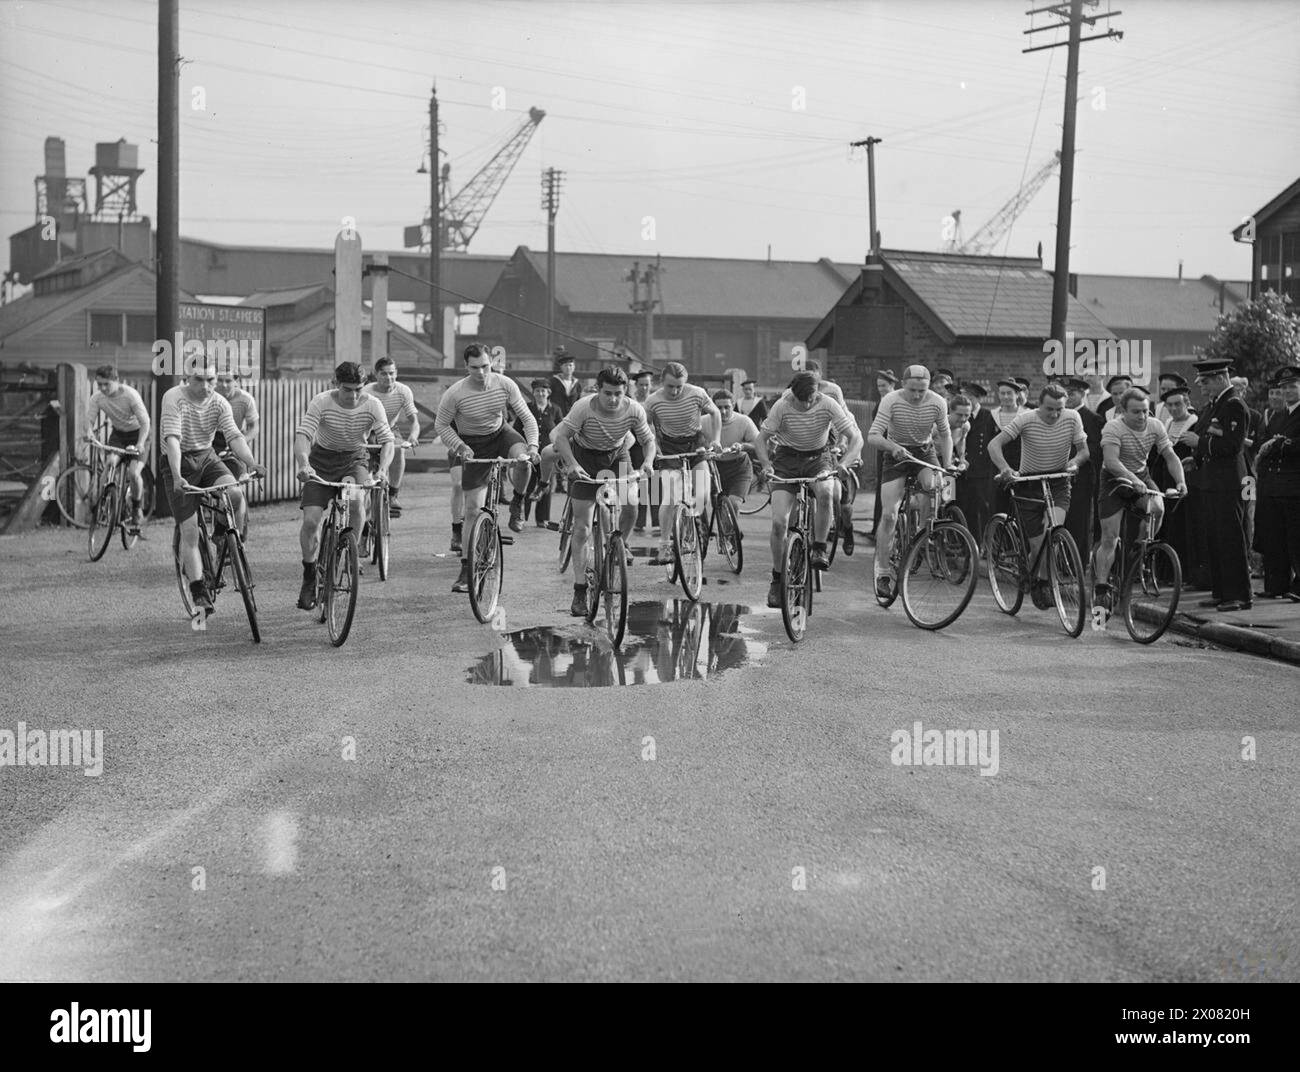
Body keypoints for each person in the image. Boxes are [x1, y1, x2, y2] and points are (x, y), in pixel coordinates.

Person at [435, 344, 540, 592]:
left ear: (490, 362)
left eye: (485, 366)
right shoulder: (455, 393)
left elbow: (526, 417)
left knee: (523, 460)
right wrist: (460, 446)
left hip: (500, 434)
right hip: (472, 444)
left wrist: (534, 445)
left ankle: (518, 501)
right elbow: (441, 425)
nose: (481, 372)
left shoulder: (504, 384)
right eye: (475, 368)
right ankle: (465, 569)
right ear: (466, 367)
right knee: (472, 510)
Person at [552, 366, 656, 616]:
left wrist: (648, 462)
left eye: (618, 393)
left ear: (625, 392)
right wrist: (573, 465)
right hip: (584, 456)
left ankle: (618, 546)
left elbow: (648, 440)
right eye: (608, 393)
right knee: (583, 528)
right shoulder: (584, 407)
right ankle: (579, 589)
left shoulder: (634, 409)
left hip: (616, 454)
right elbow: (561, 438)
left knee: (632, 503)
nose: (613, 399)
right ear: (598, 390)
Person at [161, 363, 263, 616]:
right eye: (199, 379)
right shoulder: (173, 397)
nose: (206, 386)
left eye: (211, 379)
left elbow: (235, 436)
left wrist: (252, 463)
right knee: (190, 530)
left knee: (235, 493)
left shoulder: (219, 402)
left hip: (207, 457)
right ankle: (198, 590)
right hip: (179, 461)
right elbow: (172, 440)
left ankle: (222, 535)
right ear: (187, 378)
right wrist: (176, 476)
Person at [293, 362, 393, 610]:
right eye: (348, 389)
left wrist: (381, 470)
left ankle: (349, 552)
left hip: (353, 461)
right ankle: (309, 574)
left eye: (358, 388)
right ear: (335, 384)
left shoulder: (372, 404)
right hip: (321, 461)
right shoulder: (322, 401)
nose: (354, 395)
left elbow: (387, 441)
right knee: (311, 520)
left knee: (357, 502)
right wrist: (304, 464)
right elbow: (304, 435)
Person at [760, 371, 863, 608]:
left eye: (810, 400)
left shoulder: (827, 403)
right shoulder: (782, 405)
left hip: (818, 458)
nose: (806, 405)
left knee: (826, 492)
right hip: (786, 461)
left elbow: (856, 437)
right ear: (792, 394)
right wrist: (766, 464)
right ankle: (777, 579)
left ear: (817, 394)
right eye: (800, 400)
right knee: (778, 523)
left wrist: (845, 463)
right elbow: (761, 439)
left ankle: (819, 548)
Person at [988, 383, 1089, 606]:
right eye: (1049, 409)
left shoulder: (1073, 418)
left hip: (1058, 482)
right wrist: (1005, 468)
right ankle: (1033, 571)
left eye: (1059, 409)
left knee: (1052, 534)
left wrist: (1074, 462)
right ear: (1039, 405)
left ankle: (1042, 582)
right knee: (1037, 543)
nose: (1054, 414)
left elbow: (1084, 451)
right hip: (1029, 483)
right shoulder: (1026, 418)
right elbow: (994, 445)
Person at [1092, 387, 1187, 612]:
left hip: (1140, 475)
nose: (1142, 416)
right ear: (1123, 411)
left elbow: (1170, 456)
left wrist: (1181, 481)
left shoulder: (1155, 425)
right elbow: (1112, 461)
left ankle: (1138, 551)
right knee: (1110, 537)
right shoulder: (1113, 427)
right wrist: (1132, 479)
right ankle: (1102, 587)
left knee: (1157, 509)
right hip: (1114, 479)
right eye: (1136, 412)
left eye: (1145, 411)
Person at [865, 364, 950, 602]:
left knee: (934, 485)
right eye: (912, 389)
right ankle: (882, 573)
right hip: (896, 454)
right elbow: (873, 436)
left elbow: (945, 434)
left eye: (921, 390)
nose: (916, 395)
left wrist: (947, 464)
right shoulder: (890, 401)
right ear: (903, 385)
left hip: (924, 451)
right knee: (889, 515)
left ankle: (923, 532)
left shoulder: (937, 402)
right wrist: (893, 448)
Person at [1181, 359, 1252, 611]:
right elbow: (1210, 438)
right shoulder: (1216, 404)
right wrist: (1197, 457)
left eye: (1207, 381)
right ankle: (1222, 591)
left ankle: (1239, 595)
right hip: (1212, 480)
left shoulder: (1233, 405)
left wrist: (1198, 443)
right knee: (1215, 538)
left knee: (1231, 538)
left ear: (1221, 378)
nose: (1202, 387)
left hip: (1228, 482)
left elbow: (1232, 447)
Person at [644, 362, 721, 566]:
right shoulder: (653, 401)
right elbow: (646, 424)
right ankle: (664, 546)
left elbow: (715, 413)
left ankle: (691, 525)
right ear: (662, 382)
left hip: (695, 443)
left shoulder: (697, 393)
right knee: (670, 497)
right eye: (670, 386)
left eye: (679, 386)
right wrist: (654, 445)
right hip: (669, 448)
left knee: (704, 492)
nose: (675, 391)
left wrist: (716, 439)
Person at [84, 365, 151, 534]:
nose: (103, 388)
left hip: (138, 434)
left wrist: (141, 443)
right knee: (110, 463)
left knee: (133, 474)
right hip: (119, 435)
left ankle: (136, 507)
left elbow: (145, 422)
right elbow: (89, 421)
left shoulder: (131, 395)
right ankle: (103, 503)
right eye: (99, 384)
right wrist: (89, 434)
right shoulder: (97, 398)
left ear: (116, 381)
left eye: (106, 384)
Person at [1253, 365, 1300, 602]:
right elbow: (1263, 443)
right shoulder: (1279, 415)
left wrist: (1281, 444)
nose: (1288, 391)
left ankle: (1298, 587)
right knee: (1274, 538)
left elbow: (1283, 445)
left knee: (1296, 538)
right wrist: (1274, 444)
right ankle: (1276, 585)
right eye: (1284, 387)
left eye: (1293, 386)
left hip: (1294, 485)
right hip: (1273, 486)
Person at [361, 357, 419, 517]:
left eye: (392, 373)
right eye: (384, 374)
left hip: (391, 430)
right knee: (363, 469)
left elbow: (414, 421)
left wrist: (413, 436)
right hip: (368, 432)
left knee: (399, 449)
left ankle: (393, 494)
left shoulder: (403, 391)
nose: (388, 378)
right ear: (375, 374)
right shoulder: (366, 392)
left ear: (396, 373)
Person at [1155, 383, 1201, 583]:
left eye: (1177, 405)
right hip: (1166, 483)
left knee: (1185, 528)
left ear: (1187, 403)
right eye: (1169, 406)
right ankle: (1168, 574)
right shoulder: (1166, 425)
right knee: (1168, 527)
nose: (1173, 409)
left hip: (1187, 484)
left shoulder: (1195, 423)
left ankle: (1186, 574)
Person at [1062, 376, 1103, 555]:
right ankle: (1062, 560)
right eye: (1065, 394)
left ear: (1082, 394)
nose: (1068, 398)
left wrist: (1075, 458)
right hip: (1060, 475)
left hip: (1081, 476)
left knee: (1079, 519)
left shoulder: (1092, 418)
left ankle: (1077, 560)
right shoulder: (1059, 414)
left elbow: (1095, 448)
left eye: (1072, 393)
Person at [954, 380, 998, 548]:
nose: (965, 401)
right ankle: (969, 546)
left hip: (982, 472)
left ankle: (985, 546)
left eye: (968, 397)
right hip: (963, 471)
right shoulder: (960, 416)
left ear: (977, 398)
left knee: (982, 510)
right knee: (964, 509)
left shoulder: (988, 416)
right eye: (962, 396)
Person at [518, 379, 563, 528]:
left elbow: (561, 431)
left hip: (548, 455)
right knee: (528, 485)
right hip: (530, 452)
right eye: (537, 391)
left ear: (548, 393)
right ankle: (522, 517)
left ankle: (542, 519)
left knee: (546, 486)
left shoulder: (555, 409)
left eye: (543, 391)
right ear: (533, 393)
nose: (540, 393)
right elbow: (517, 429)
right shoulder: (527, 408)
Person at [713, 389, 769, 508]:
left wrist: (742, 446)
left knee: (734, 503)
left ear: (733, 405)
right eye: (719, 407)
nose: (723, 411)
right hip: (714, 468)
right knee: (710, 504)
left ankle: (731, 527)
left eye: (727, 407)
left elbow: (758, 444)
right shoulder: (705, 421)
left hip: (739, 467)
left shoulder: (744, 421)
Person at [869, 369, 897, 540]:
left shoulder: (892, 400)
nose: (881, 389)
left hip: (892, 447)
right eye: (879, 386)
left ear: (892, 385)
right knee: (881, 485)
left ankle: (885, 528)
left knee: (887, 486)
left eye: (884, 385)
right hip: (883, 448)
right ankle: (877, 528)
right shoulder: (882, 400)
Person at [631, 370, 655, 532]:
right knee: (638, 483)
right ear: (636, 385)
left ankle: (657, 522)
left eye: (647, 384)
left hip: (654, 446)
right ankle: (638, 522)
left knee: (655, 483)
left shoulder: (654, 401)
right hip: (635, 446)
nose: (645, 388)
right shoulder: (631, 401)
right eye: (641, 385)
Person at [548, 347, 583, 418]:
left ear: (574, 367)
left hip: (572, 417)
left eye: (570, 365)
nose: (568, 368)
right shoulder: (553, 381)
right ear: (561, 367)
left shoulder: (577, 384)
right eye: (565, 365)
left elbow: (579, 401)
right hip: (556, 416)